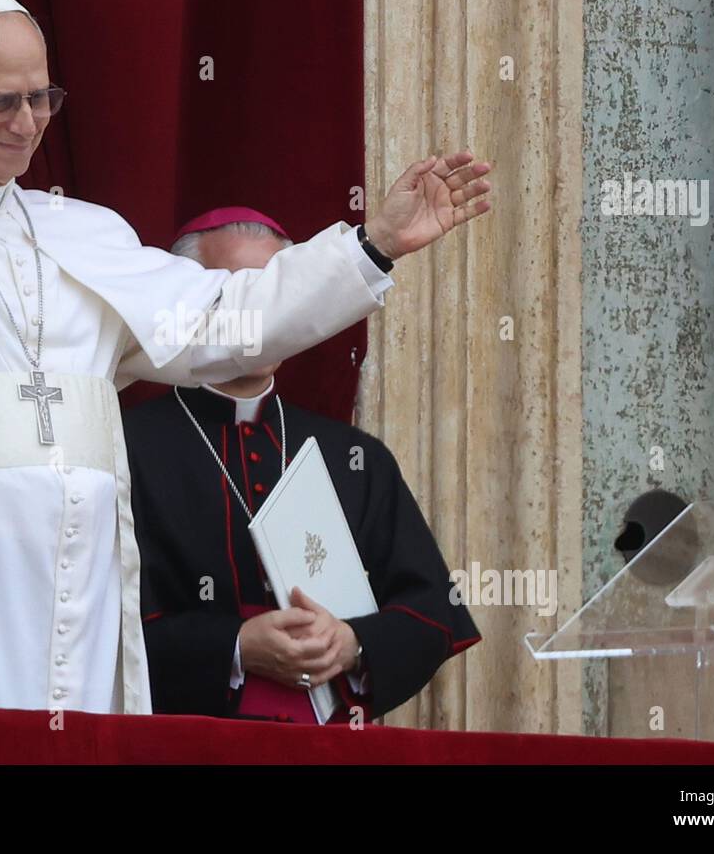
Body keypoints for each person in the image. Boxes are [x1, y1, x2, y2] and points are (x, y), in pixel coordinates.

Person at [0, 0, 493, 714]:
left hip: (76, 597)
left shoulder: (88, 234)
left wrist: (371, 244)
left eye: (41, 98)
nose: (27, 124)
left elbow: (232, 318)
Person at [125, 208, 480, 722]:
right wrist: (235, 646)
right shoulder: (126, 446)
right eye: (237, 295)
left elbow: (430, 611)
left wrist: (353, 643)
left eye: (277, 295)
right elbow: (95, 631)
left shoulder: (354, 457)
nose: (262, 317)